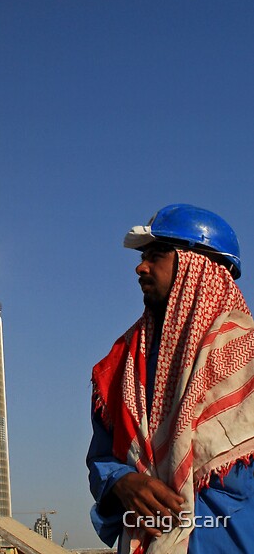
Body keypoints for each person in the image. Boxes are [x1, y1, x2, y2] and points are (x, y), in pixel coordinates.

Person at [87, 203, 254, 553]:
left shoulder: (249, 356)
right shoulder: (122, 363)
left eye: (157, 254)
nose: (140, 266)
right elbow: (102, 457)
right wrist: (122, 482)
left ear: (198, 267)